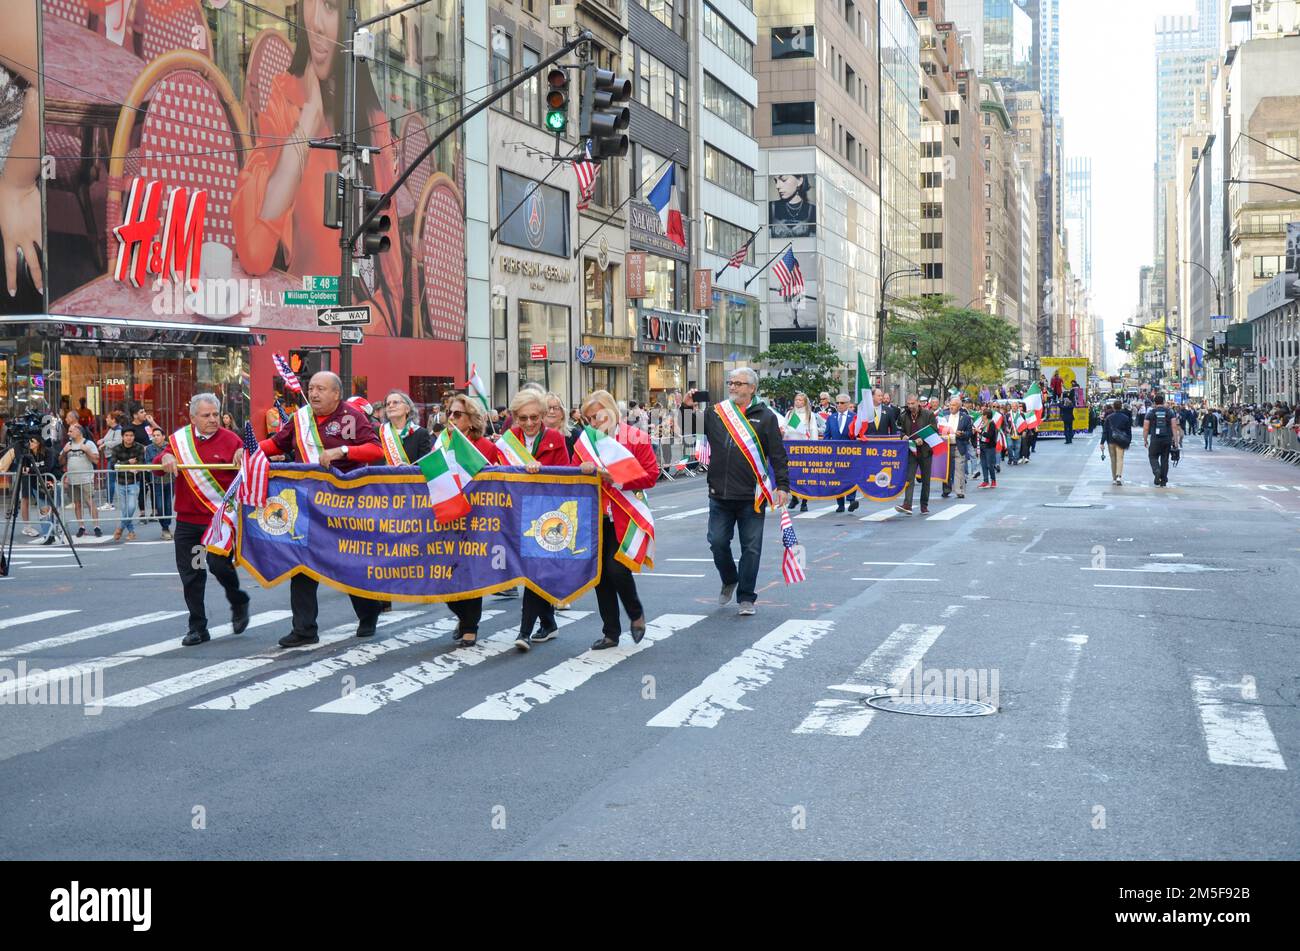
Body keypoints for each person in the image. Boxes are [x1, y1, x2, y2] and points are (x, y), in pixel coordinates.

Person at [232, 0, 404, 336]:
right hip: (290, 322)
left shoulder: (373, 124)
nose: (317, 25)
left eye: (329, 7)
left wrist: (344, 323)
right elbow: (253, 253)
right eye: (309, 6)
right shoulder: (285, 97)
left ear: (351, 22)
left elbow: (392, 288)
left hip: (354, 331)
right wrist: (306, 123)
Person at [259, 372, 388, 646]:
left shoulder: (352, 417)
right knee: (302, 565)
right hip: (306, 505)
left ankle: (368, 614)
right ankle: (304, 629)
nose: (314, 393)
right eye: (311, 388)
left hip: (344, 503)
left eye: (321, 389)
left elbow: (375, 450)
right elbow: (275, 445)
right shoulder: (300, 419)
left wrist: (342, 451)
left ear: (336, 394)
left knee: (349, 562)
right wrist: (247, 451)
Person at [683, 368, 790, 617]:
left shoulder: (765, 417)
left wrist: (782, 485)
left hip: (751, 496)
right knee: (717, 542)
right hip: (719, 492)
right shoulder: (717, 413)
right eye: (731, 383)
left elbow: (777, 454)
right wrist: (686, 408)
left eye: (738, 384)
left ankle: (746, 597)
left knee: (751, 548)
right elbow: (689, 429)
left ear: (752, 388)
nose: (732, 387)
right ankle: (729, 577)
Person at [155, 394, 252, 646]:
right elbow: (159, 464)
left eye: (215, 415)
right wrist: (165, 458)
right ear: (193, 418)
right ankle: (197, 626)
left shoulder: (231, 439)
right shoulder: (179, 441)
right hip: (188, 521)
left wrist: (244, 455)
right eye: (206, 415)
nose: (212, 420)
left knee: (219, 566)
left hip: (218, 520)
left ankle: (238, 599)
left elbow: (249, 461)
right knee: (192, 574)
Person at [575, 390, 658, 650]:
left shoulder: (635, 438)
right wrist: (582, 471)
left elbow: (651, 475)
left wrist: (615, 477)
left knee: (617, 569)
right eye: (589, 419)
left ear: (611, 411)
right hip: (595, 514)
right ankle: (611, 632)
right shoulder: (585, 443)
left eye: (598, 416)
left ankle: (635, 613)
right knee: (600, 576)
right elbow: (572, 475)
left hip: (626, 513)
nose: (594, 423)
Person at [497, 388, 572, 650]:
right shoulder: (508, 440)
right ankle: (549, 623)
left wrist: (542, 471)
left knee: (534, 570)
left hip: (547, 513)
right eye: (523, 418)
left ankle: (524, 632)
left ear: (542, 415)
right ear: (515, 417)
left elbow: (565, 476)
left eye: (534, 418)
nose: (529, 423)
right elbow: (498, 474)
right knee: (533, 571)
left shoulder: (555, 438)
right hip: (517, 513)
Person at [442, 395, 502, 647]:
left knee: (469, 572)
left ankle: (470, 626)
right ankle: (461, 615)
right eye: (450, 414)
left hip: (475, 518)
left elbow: (496, 480)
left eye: (458, 414)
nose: (451, 418)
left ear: (472, 420)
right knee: (444, 575)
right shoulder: (441, 443)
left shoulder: (485, 447)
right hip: (446, 517)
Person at [896, 394, 939, 515]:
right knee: (909, 478)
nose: (910, 406)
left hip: (925, 451)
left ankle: (924, 505)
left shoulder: (928, 414)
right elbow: (900, 430)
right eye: (908, 404)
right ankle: (907, 504)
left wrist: (923, 439)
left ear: (918, 403)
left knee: (925, 480)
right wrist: (902, 436)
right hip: (911, 451)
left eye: (913, 403)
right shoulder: (904, 416)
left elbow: (935, 430)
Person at [59, 424, 101, 537]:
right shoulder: (68, 444)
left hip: (86, 478)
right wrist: (64, 452)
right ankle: (81, 526)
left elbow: (96, 460)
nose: (68, 433)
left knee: (89, 501)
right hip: (72, 479)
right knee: (77, 503)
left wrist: (87, 451)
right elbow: (60, 461)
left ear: (79, 431)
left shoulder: (88, 443)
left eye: (71, 431)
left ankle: (96, 526)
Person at [822, 393, 859, 512]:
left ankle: (852, 500)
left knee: (851, 476)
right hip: (835, 453)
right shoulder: (831, 418)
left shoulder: (854, 417)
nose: (839, 405)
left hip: (850, 453)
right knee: (837, 477)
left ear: (848, 404)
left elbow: (858, 435)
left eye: (842, 403)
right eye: (837, 403)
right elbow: (827, 436)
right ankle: (840, 503)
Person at [378, 389, 432, 464]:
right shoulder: (379, 432)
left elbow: (426, 464)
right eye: (387, 404)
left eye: (395, 402)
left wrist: (408, 470)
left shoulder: (421, 433)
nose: (390, 406)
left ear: (407, 409)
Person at [113, 427, 146, 541]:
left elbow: (141, 463)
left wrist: (126, 466)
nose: (129, 438)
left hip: (134, 481)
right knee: (124, 509)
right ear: (122, 436)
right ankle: (131, 532)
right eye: (126, 435)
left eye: (131, 435)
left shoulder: (139, 447)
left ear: (134, 437)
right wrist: (128, 463)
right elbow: (113, 465)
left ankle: (120, 528)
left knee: (131, 507)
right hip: (120, 482)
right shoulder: (116, 448)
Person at [1143, 392, 1181, 487]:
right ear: (1163, 402)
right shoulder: (1170, 412)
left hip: (1155, 439)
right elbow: (1174, 427)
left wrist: (1145, 439)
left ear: (1154, 402)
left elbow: (1146, 428)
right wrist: (1176, 441)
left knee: (1152, 456)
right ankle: (1163, 480)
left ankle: (1156, 470)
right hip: (1167, 439)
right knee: (1165, 459)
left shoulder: (1151, 413)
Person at [143, 428, 174, 540]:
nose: (155, 437)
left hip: (170, 479)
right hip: (156, 481)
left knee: (168, 504)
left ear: (163, 436)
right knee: (160, 506)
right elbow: (148, 462)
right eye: (154, 435)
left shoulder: (169, 447)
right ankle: (164, 528)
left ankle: (167, 526)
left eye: (158, 435)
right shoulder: (149, 448)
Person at [939, 396, 972, 499]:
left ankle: (960, 491)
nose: (951, 407)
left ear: (959, 406)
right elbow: (938, 430)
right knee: (946, 469)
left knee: (959, 469)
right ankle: (946, 490)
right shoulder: (943, 417)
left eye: (953, 405)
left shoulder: (965, 418)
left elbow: (969, 433)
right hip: (946, 446)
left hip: (958, 445)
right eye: (950, 405)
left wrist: (961, 434)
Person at [1100, 400, 1132, 486]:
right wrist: (1129, 441)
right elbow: (1129, 431)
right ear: (1121, 406)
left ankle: (1114, 478)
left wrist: (1102, 442)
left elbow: (1105, 431)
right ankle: (1118, 476)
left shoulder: (1109, 417)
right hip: (1121, 441)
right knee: (1120, 458)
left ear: (1114, 407)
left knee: (1113, 459)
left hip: (1110, 440)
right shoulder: (1125, 418)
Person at [97, 411, 123, 512]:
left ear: (113, 420)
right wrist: (102, 440)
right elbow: (107, 438)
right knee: (110, 479)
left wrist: (104, 444)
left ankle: (109, 502)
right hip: (109, 457)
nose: (106, 419)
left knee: (111, 480)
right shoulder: (112, 429)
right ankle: (109, 501)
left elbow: (117, 442)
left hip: (114, 457)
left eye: (108, 418)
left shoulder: (118, 430)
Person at [545, 391, 579, 456]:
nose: (551, 411)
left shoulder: (574, 434)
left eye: (556, 408)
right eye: (548, 408)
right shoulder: (535, 436)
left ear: (562, 413)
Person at [975, 408, 999, 489]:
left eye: (982, 414)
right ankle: (985, 481)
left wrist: (980, 431)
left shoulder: (991, 424)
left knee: (990, 465)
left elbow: (990, 435)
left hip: (989, 447)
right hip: (982, 446)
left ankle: (993, 481)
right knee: (983, 465)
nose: (981, 416)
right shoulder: (983, 423)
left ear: (986, 416)